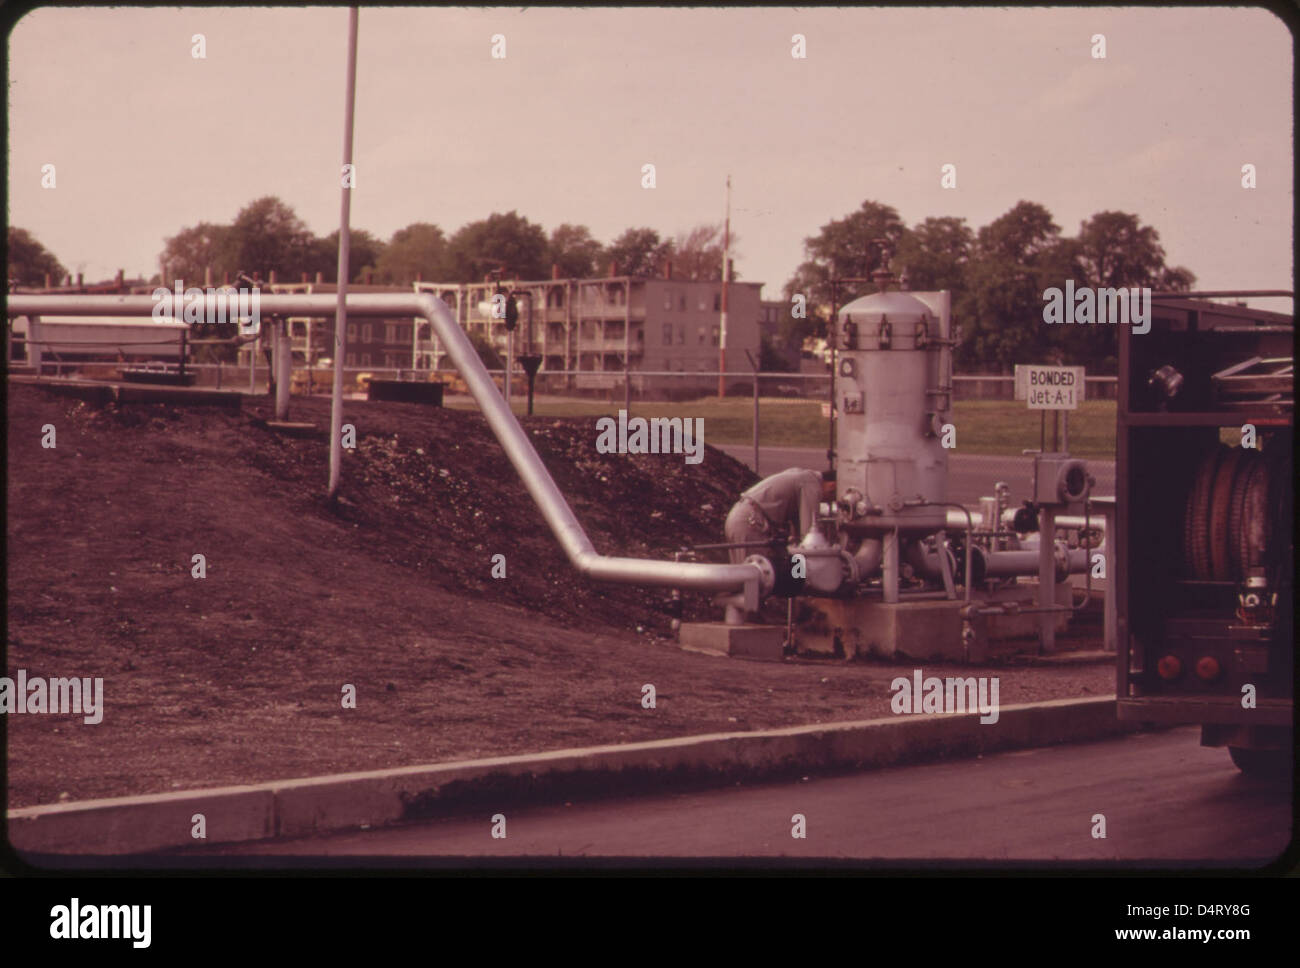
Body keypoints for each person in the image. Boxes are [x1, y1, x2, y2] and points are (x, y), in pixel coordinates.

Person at [724, 468, 835, 564]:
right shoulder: (812, 485)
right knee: (755, 577)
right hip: (749, 522)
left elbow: (799, 530)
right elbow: (810, 535)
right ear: (832, 486)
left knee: (744, 577)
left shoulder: (802, 476)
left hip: (740, 516)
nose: (824, 501)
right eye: (832, 497)